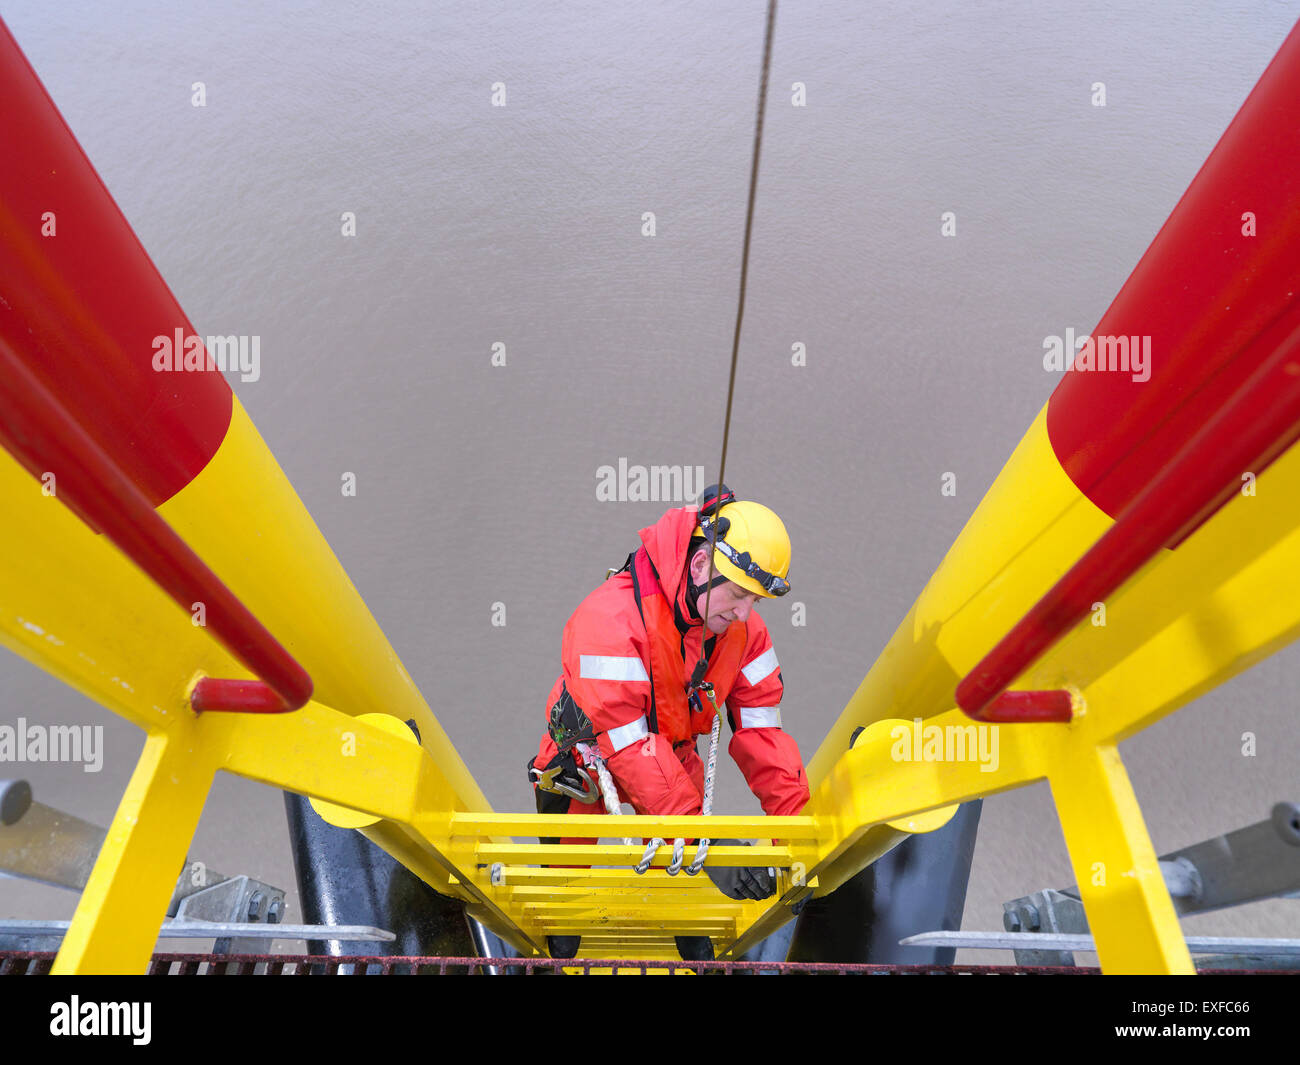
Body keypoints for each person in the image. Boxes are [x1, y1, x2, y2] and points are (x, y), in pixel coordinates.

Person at [526, 484, 810, 960]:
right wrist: (705, 841)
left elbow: (763, 735)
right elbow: (628, 749)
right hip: (586, 768)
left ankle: (682, 926)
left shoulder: (742, 632)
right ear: (701, 566)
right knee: (564, 905)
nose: (744, 613)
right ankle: (559, 939)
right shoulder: (608, 620)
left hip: (672, 764)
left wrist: (798, 838)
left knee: (683, 907)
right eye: (739, 594)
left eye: (755, 601)